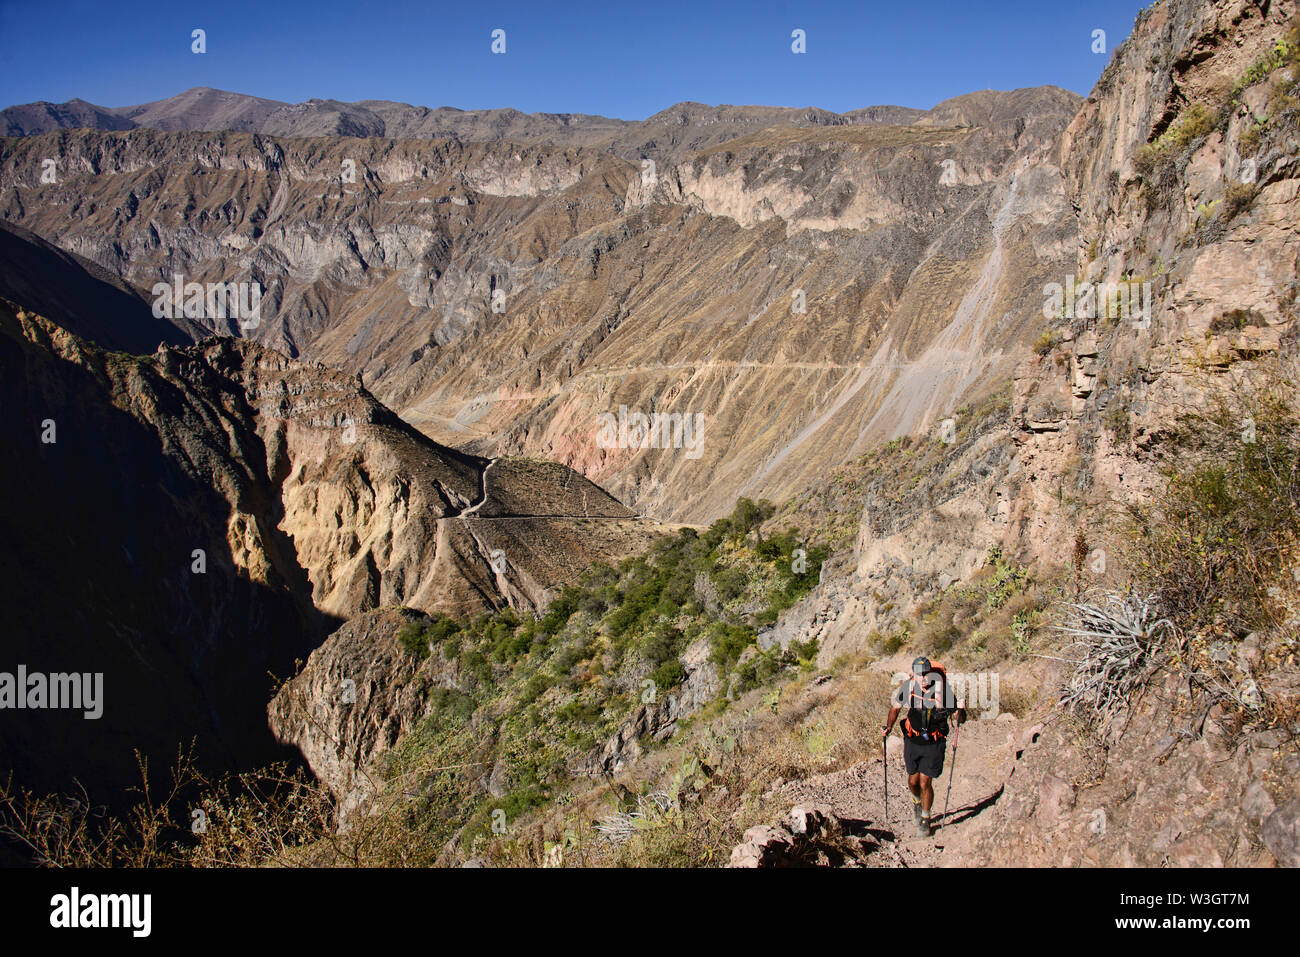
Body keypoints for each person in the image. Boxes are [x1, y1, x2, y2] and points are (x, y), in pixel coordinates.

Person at [882, 656, 962, 836]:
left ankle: (926, 817)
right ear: (914, 675)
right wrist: (888, 728)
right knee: (912, 781)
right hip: (913, 740)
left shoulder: (943, 691)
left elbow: (960, 718)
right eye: (919, 675)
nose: (923, 678)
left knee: (925, 781)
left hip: (934, 743)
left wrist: (960, 711)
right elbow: (895, 708)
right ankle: (916, 801)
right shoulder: (909, 687)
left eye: (926, 673)